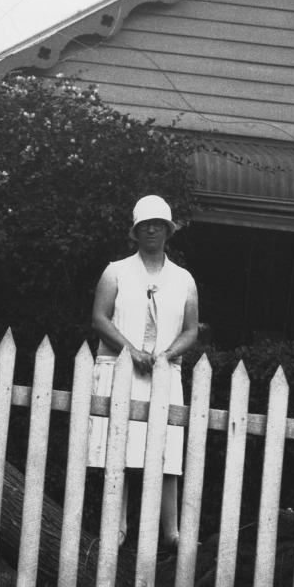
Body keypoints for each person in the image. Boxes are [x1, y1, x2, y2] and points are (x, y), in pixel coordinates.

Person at [88, 195, 199, 549]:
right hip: (120, 369)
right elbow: (100, 318)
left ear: (168, 231)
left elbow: (191, 330)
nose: (152, 229)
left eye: (159, 224)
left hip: (164, 374)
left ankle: (171, 531)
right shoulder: (116, 270)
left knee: (166, 450)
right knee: (118, 448)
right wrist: (131, 350)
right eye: (145, 224)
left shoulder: (183, 279)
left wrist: (167, 355)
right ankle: (117, 528)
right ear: (135, 232)